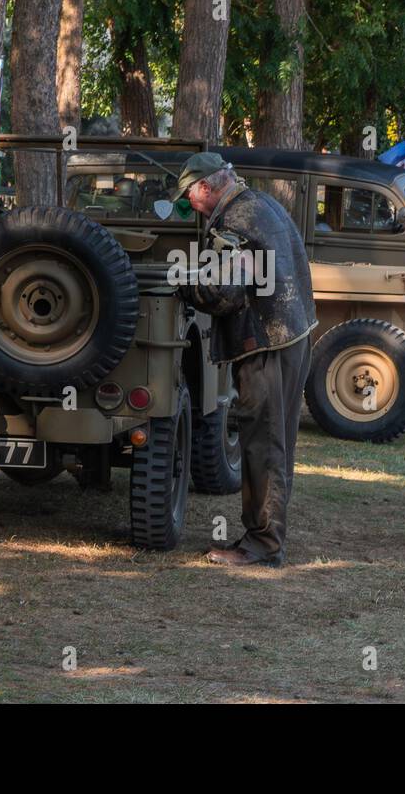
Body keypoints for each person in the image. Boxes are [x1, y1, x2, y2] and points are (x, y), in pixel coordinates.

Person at [171, 152, 316, 568]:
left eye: (189, 197)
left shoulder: (233, 222)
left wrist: (184, 283)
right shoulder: (260, 203)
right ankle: (264, 534)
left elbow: (224, 293)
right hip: (290, 334)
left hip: (265, 343)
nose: (189, 206)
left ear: (205, 188)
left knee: (263, 446)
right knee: (275, 442)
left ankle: (264, 545)